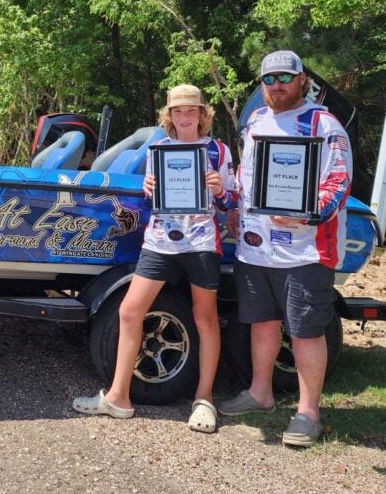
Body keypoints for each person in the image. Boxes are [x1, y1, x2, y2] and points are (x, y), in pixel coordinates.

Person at [73, 84, 237, 433]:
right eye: (178, 111)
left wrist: (220, 190)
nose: (185, 116)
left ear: (202, 114)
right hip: (161, 243)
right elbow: (151, 203)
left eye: (192, 110)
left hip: (201, 244)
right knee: (130, 311)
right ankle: (119, 398)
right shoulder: (159, 148)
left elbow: (230, 204)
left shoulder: (217, 151)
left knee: (205, 319)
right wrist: (147, 190)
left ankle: (204, 400)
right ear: (170, 116)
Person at [220, 50, 353, 448]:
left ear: (301, 81)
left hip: (305, 250)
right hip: (255, 248)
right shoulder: (256, 121)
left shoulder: (324, 123)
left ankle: (309, 411)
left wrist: (307, 215)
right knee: (262, 323)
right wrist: (233, 207)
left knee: (305, 330)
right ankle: (261, 393)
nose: (276, 86)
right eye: (269, 79)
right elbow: (247, 174)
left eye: (284, 77)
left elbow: (340, 182)